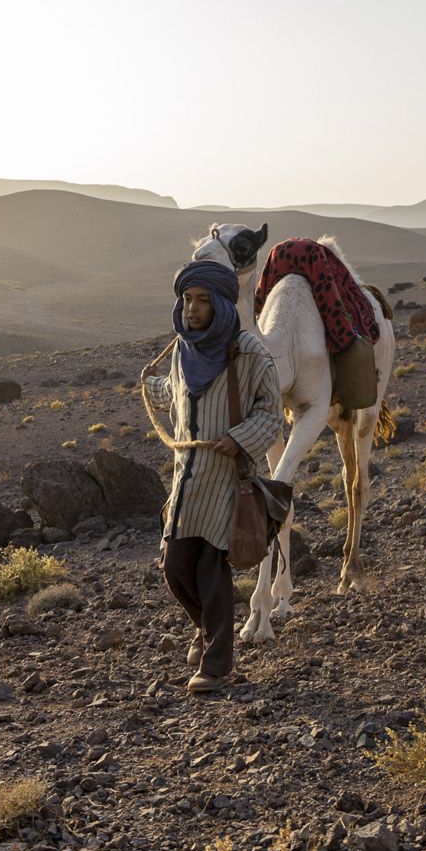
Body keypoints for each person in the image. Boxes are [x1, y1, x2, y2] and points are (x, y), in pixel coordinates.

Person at [141, 259, 282, 693]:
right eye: (187, 300)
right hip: (187, 480)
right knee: (173, 566)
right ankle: (206, 630)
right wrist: (151, 385)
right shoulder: (185, 351)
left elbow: (271, 413)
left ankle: (216, 665)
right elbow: (177, 393)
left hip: (226, 479)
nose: (193, 309)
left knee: (210, 568)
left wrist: (239, 439)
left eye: (203, 300)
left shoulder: (249, 352)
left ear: (222, 304)